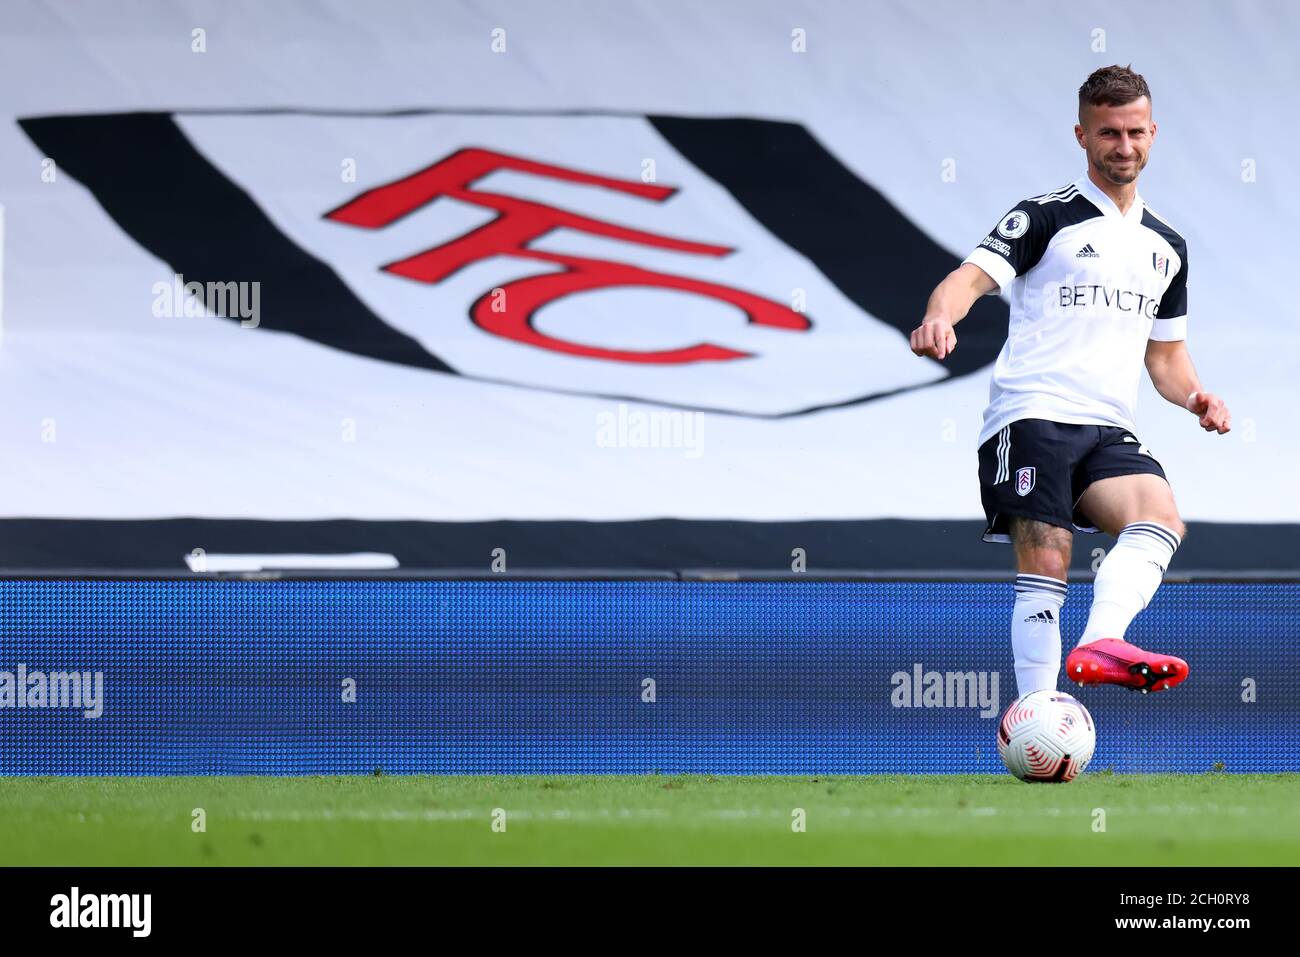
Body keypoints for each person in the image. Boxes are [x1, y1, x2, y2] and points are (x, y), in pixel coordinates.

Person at [910, 64, 1231, 696]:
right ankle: (1036, 714)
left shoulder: (1167, 245)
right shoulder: (1043, 216)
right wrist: (939, 317)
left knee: (1160, 519)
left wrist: (1195, 396)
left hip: (1109, 424)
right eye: (1108, 133)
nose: (1124, 146)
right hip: (1033, 414)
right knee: (1048, 558)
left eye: (1135, 132)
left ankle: (1098, 644)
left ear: (1153, 133)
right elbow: (967, 280)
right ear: (1081, 135)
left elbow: (1165, 358)